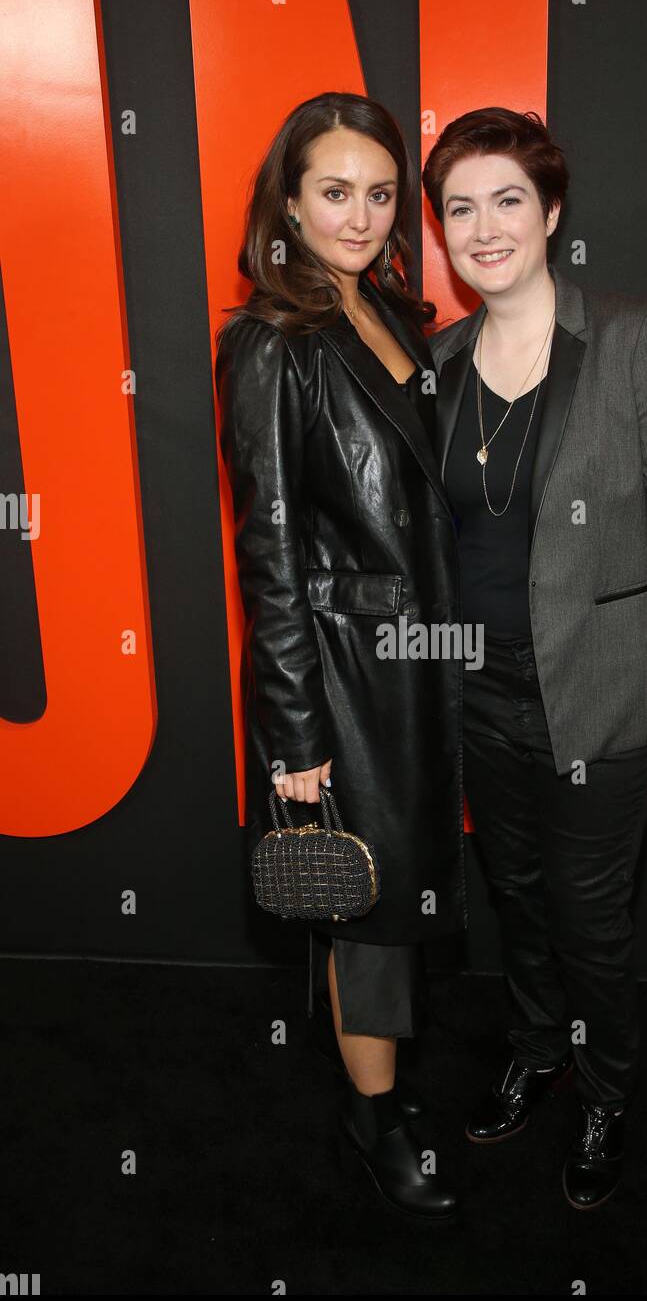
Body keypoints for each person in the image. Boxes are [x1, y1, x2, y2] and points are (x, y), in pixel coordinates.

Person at [422, 108, 647, 1209]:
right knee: (514, 894)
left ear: (550, 213)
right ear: (443, 233)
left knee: (591, 914)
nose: (484, 225)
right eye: (459, 207)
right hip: (481, 692)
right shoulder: (439, 361)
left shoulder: (636, 334)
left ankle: (607, 1085)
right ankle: (540, 1043)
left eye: (507, 199)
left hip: (603, 689)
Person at [215, 92, 465, 1221]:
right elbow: (267, 553)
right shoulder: (270, 342)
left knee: (401, 895)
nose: (359, 216)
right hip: (343, 674)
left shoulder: (393, 314)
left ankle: (383, 1088)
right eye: (333, 192)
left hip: (416, 665)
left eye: (377, 193)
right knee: (361, 907)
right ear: (289, 202)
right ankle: (376, 1123)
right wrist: (295, 739)